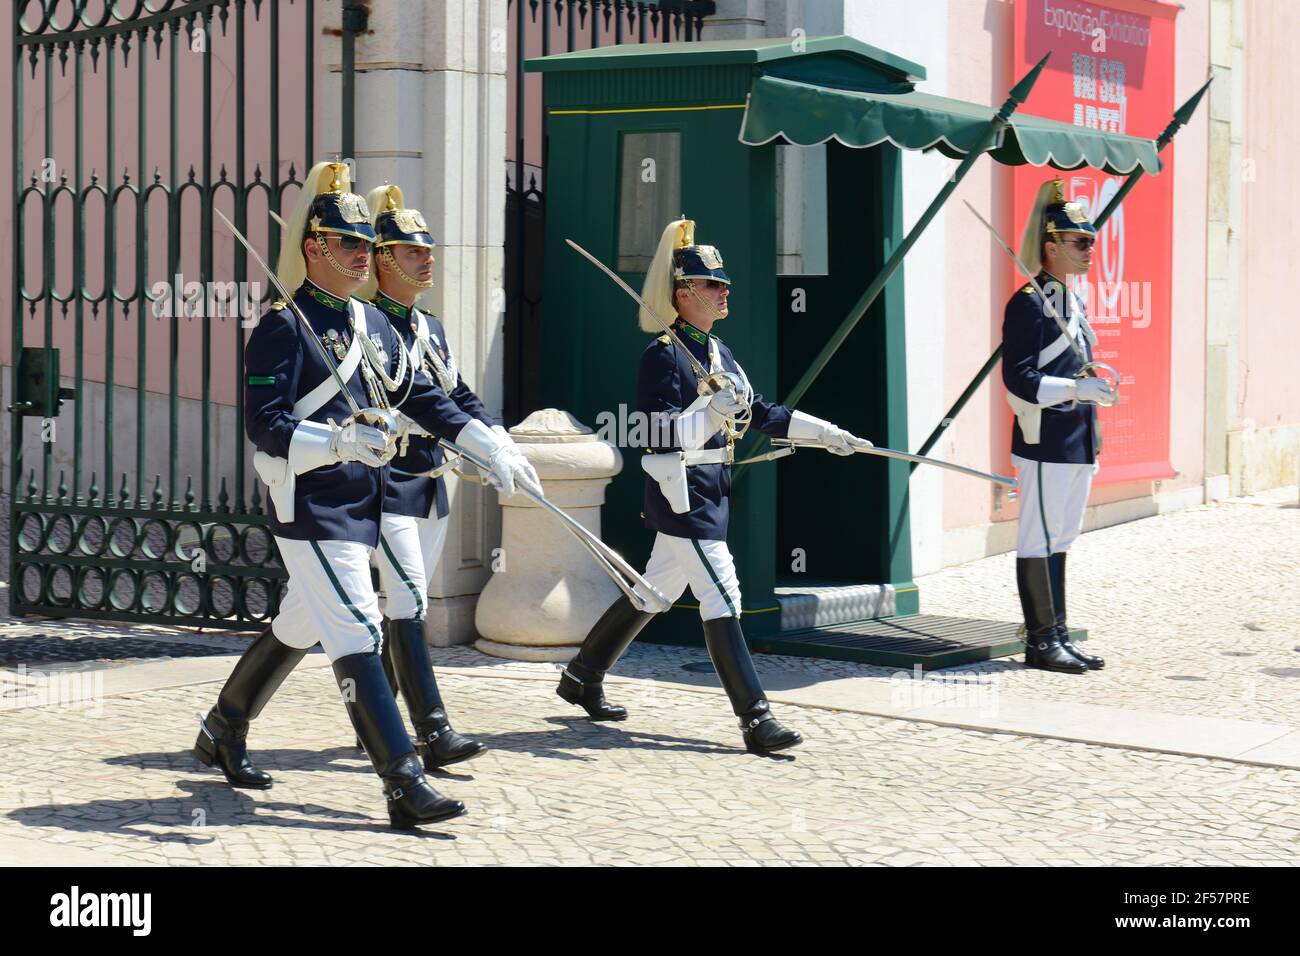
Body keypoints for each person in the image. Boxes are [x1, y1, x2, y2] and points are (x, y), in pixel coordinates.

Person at [194, 161, 541, 828]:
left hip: (370, 500)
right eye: (349, 244)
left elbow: (425, 397)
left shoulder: (373, 325)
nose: (362, 255)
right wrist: (337, 443)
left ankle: (224, 725)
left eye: (364, 244)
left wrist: (489, 444)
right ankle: (402, 781)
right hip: (314, 504)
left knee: (303, 622)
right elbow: (264, 426)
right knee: (358, 625)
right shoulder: (283, 325)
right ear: (313, 246)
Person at [555, 218, 870, 753]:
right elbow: (654, 435)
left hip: (713, 486)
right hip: (683, 493)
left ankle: (582, 676)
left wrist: (826, 434)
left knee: (654, 590)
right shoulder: (662, 355)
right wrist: (707, 411)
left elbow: (762, 411)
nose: (724, 292)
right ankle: (756, 717)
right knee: (723, 594)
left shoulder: (718, 355)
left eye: (724, 284)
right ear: (683, 294)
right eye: (712, 285)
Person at [354, 182, 496, 769]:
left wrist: (496, 441)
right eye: (414, 251)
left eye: (429, 249)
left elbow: (456, 393)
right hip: (387, 477)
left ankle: (378, 720)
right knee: (409, 599)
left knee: (397, 604)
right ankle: (432, 731)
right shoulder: (366, 323)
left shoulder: (429, 326)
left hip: (432, 477)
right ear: (382, 259)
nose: (429, 258)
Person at [1002, 178, 1115, 675]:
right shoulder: (1028, 302)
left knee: (1062, 537)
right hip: (1045, 439)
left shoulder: (1071, 301)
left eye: (1091, 241)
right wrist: (1075, 391)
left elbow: (1077, 365)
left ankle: (1059, 633)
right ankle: (1040, 641)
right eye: (1080, 242)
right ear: (1052, 247)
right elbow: (1020, 378)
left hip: (1077, 439)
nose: (1090, 249)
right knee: (1037, 538)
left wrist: (1094, 391)